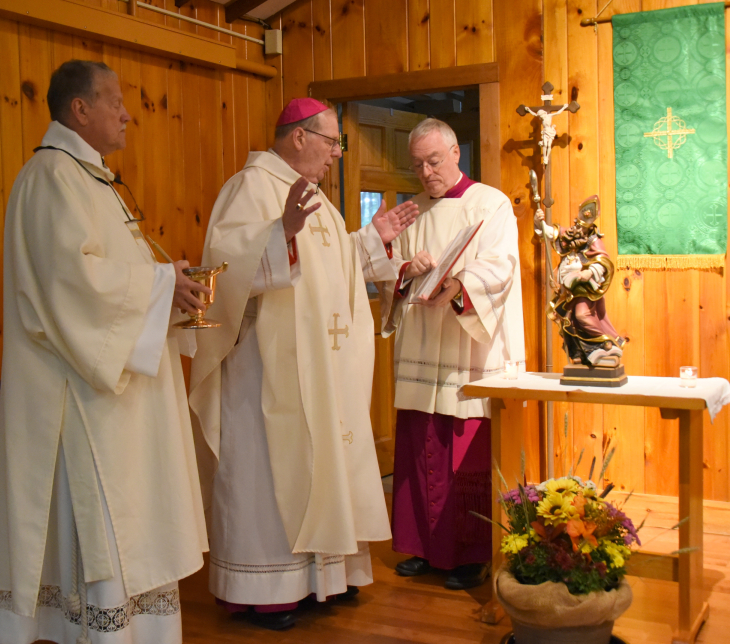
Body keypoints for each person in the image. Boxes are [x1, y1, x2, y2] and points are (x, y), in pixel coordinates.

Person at [0, 60, 209, 644]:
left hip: (116, 404)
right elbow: (72, 284)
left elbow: (115, 274)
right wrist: (160, 286)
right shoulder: (51, 177)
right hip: (80, 402)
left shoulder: (92, 178)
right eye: (114, 101)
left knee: (131, 525)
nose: (127, 112)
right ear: (79, 109)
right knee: (107, 532)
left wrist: (170, 282)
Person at [189, 98, 419, 631]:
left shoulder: (315, 198)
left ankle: (321, 578)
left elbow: (329, 269)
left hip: (319, 366)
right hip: (264, 372)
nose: (337, 153)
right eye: (332, 141)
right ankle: (264, 588)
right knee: (266, 475)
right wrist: (279, 233)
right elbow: (224, 270)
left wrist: (369, 241)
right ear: (299, 137)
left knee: (320, 467)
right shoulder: (250, 187)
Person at [378, 118, 526, 590]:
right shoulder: (412, 212)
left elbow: (501, 266)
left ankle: (467, 554)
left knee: (464, 450)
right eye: (418, 165)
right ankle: (422, 546)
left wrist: (461, 285)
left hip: (466, 347)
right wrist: (405, 269)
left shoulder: (491, 203)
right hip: (423, 343)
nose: (426, 172)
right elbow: (389, 276)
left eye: (434, 160)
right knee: (420, 445)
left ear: (456, 153)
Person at [534, 196, 625, 367]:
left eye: (584, 228)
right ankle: (579, 353)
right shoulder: (569, 234)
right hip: (567, 289)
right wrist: (539, 222)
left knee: (582, 315)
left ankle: (605, 343)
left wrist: (589, 272)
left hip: (584, 289)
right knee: (568, 320)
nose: (579, 230)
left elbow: (603, 262)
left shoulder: (594, 241)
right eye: (578, 225)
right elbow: (548, 233)